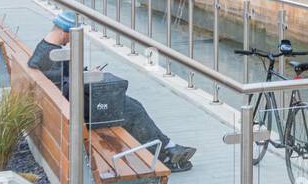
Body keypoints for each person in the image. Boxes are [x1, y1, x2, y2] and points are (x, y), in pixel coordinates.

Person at [27, 10, 196, 171]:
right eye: (73, 35)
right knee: (133, 110)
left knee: (131, 105)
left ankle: (167, 147)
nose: (72, 40)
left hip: (70, 105)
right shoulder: (51, 55)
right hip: (77, 110)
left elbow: (64, 81)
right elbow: (68, 88)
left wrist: (86, 73)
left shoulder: (46, 49)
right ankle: (164, 154)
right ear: (66, 32)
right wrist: (88, 77)